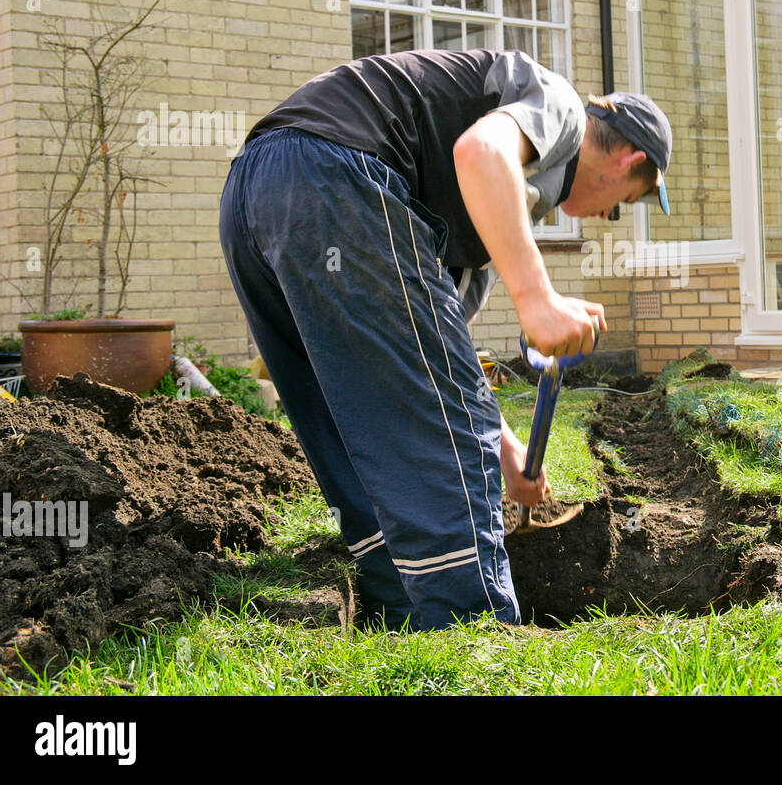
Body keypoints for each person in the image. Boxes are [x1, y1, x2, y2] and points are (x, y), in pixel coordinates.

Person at [218, 48, 673, 630]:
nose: (610, 216)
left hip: (255, 192)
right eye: (627, 203)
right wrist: (537, 298)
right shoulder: (559, 107)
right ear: (629, 161)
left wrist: (508, 449)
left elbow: (433, 355)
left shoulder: (494, 211)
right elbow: (480, 152)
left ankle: (399, 611)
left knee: (345, 416)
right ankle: (476, 638)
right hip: (337, 176)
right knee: (446, 448)